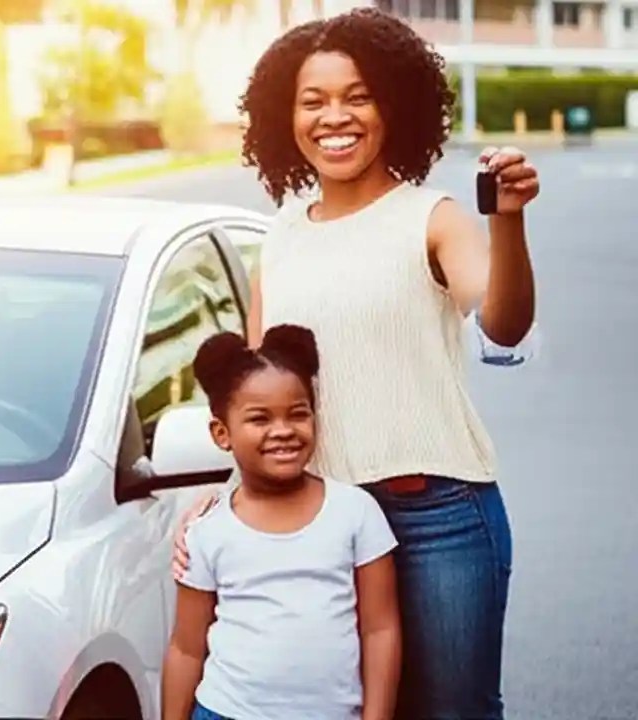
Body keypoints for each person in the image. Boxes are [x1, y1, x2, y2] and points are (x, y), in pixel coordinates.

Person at [171, 8, 539, 720]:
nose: (334, 117)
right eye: (313, 101)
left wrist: (510, 222)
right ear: (288, 118)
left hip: (440, 517)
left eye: (357, 95)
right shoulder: (279, 238)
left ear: (392, 106)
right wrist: (221, 494)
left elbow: (503, 324)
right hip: (320, 522)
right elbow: (255, 392)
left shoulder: (432, 218)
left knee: (452, 712)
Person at [163, 325, 400, 720]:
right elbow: (186, 647)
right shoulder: (206, 531)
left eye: (298, 414)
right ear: (222, 434)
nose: (283, 431)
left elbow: (380, 630)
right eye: (260, 419)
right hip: (227, 711)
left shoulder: (356, 512)